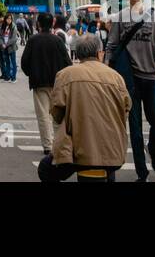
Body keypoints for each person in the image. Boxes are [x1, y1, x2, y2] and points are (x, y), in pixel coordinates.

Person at [40, 34, 130, 182]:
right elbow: (126, 109)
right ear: (98, 52)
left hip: (77, 151)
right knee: (106, 164)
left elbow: (56, 113)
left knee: (45, 169)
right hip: (113, 151)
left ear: (78, 53)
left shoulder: (65, 75)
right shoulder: (116, 77)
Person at [105, 0, 155, 181]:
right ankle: (142, 172)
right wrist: (106, 70)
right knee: (135, 129)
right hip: (128, 79)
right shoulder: (120, 17)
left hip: (151, 77)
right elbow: (112, 46)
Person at [21, 12, 72, 157]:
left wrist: (31, 73)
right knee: (57, 115)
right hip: (57, 83)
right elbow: (67, 62)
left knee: (43, 115)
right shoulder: (57, 41)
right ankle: (58, 142)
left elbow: (24, 62)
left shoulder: (33, 40)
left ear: (38, 24)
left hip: (39, 82)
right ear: (52, 24)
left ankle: (48, 145)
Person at [0, 13, 18, 82]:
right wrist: (2, 44)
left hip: (11, 47)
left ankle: (13, 77)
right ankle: (7, 77)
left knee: (13, 62)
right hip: (4, 47)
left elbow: (14, 38)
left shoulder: (13, 26)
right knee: (7, 62)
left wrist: (6, 44)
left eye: (10, 19)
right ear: (5, 19)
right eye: (8, 18)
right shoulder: (2, 26)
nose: (9, 20)